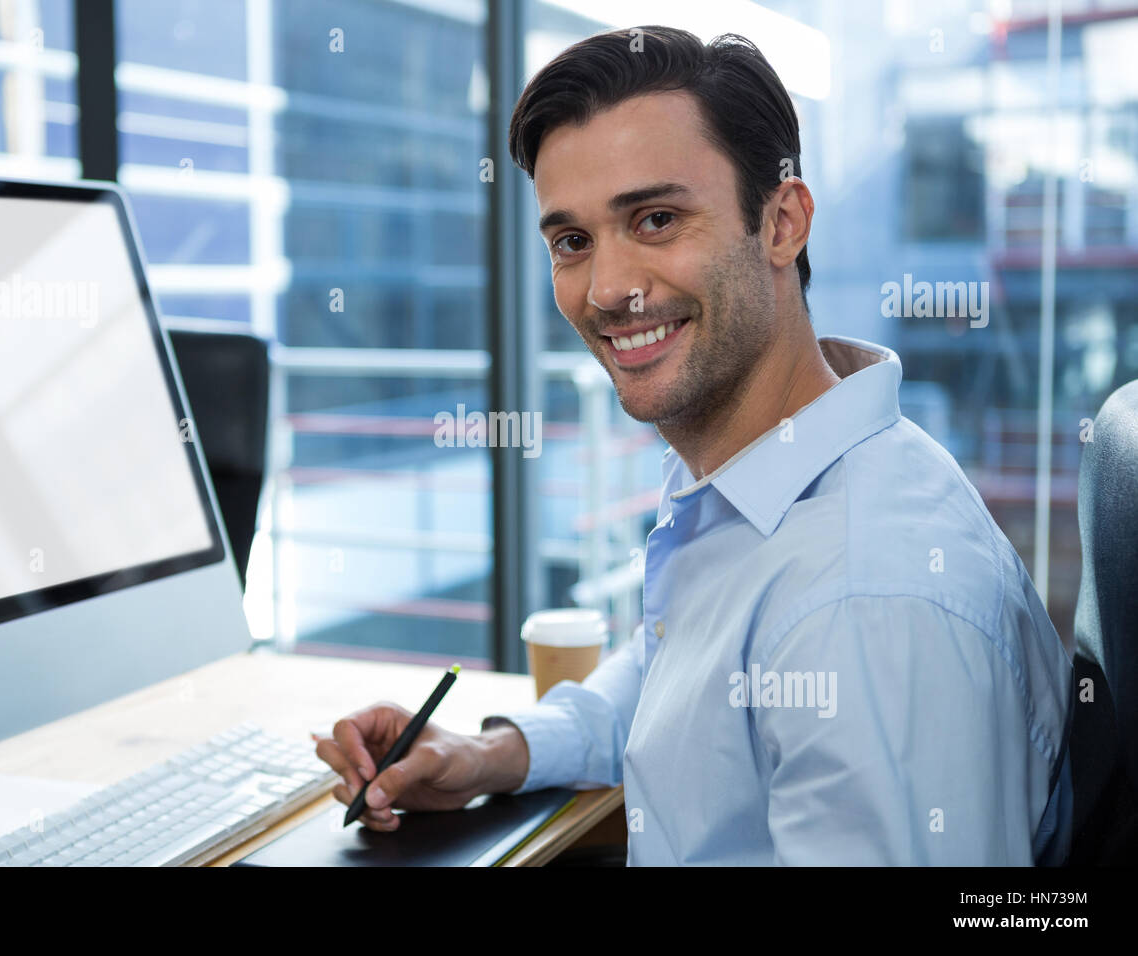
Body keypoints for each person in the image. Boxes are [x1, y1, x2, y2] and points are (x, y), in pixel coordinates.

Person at [314, 26, 1074, 865]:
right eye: (573, 241)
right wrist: (490, 753)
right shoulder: (778, 472)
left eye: (656, 219)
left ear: (782, 223)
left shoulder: (868, 603)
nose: (607, 289)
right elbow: (688, 677)